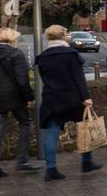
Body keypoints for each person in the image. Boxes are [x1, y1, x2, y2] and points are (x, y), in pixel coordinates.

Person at [35, 25, 101, 180]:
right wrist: (86, 97)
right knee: (84, 128)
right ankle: (87, 162)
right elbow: (79, 79)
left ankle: (51, 170)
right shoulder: (71, 54)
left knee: (51, 133)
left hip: (51, 99)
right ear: (63, 36)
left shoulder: (43, 57)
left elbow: (45, 78)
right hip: (73, 98)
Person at [0, 27, 36, 179]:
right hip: (15, 97)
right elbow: (22, 80)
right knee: (25, 122)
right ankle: (22, 160)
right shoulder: (15, 54)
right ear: (12, 40)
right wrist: (29, 97)